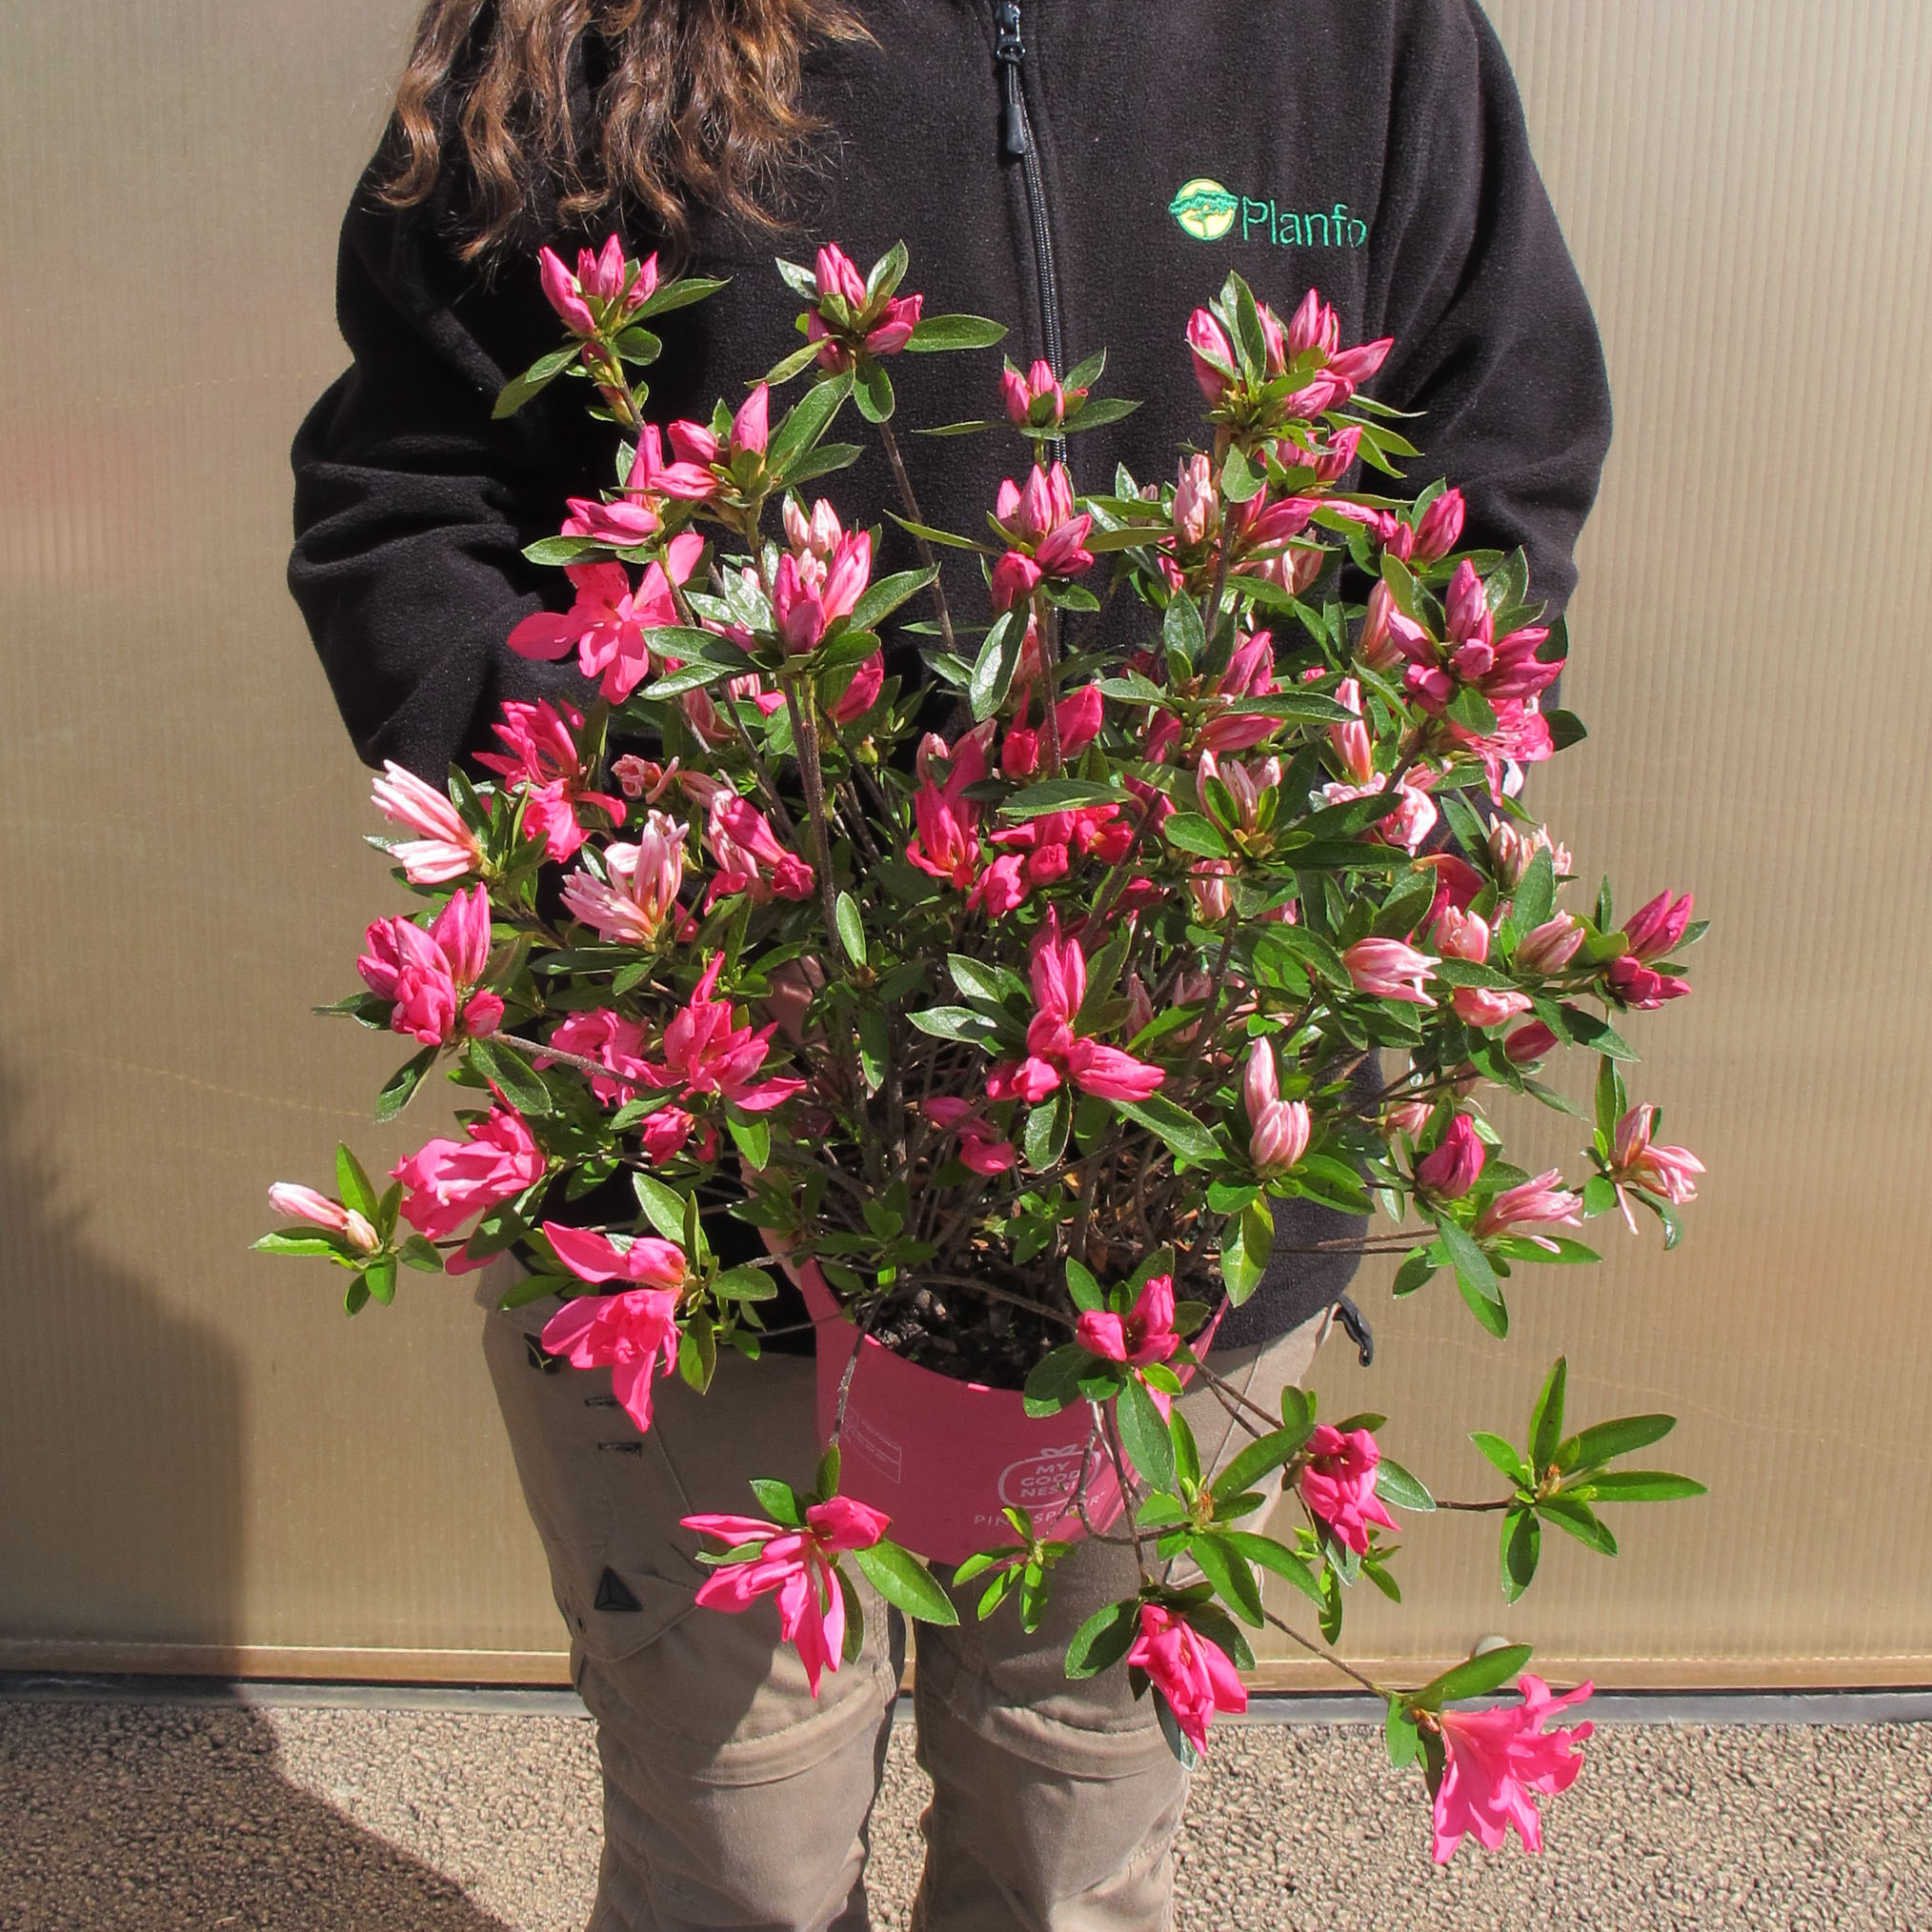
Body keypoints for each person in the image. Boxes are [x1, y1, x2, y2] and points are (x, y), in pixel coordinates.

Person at [290, 4, 1611, 1926]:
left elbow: (1496, 490)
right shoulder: (580, 33)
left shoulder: (1370, 33)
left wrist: (1295, 820)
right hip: (703, 1165)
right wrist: (651, 808)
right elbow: (408, 504)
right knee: (731, 1841)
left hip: (1167, 1172)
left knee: (1072, 1837)